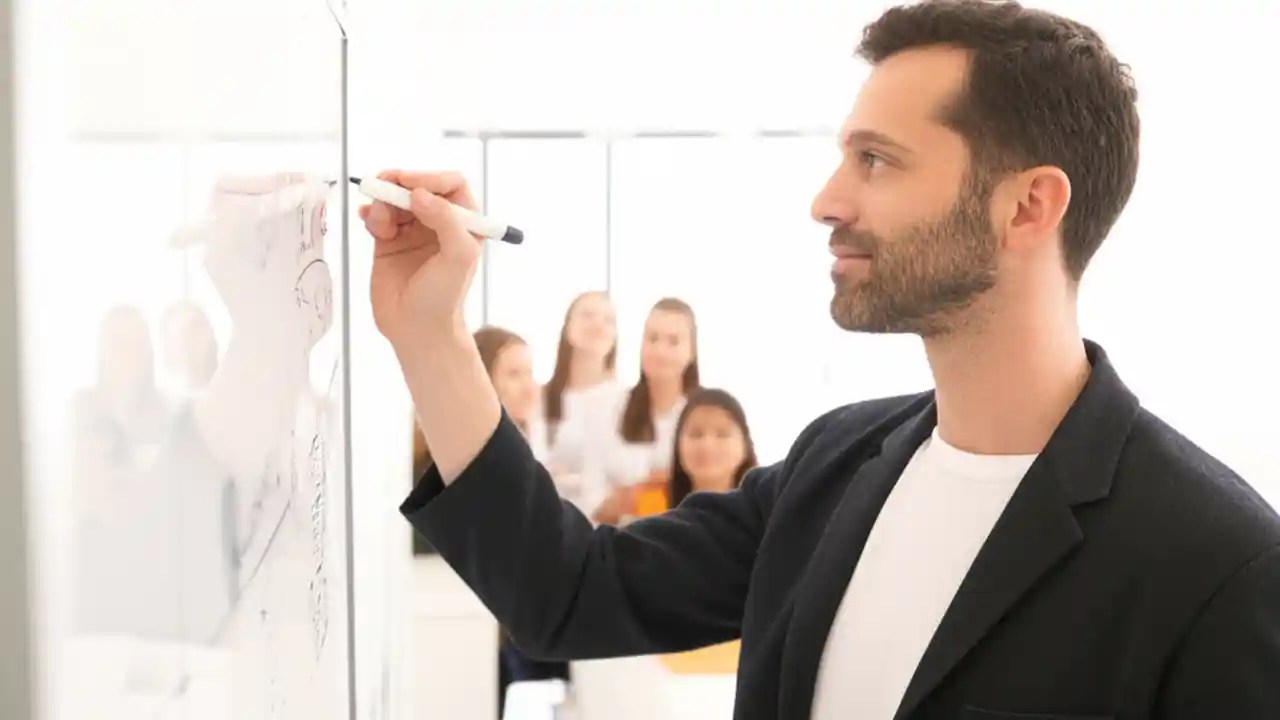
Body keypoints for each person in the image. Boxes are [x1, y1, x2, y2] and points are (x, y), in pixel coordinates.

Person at [361, 1, 1280, 717]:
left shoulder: (1217, 564)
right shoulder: (833, 468)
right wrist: (429, 332)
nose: (827, 200)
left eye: (877, 161)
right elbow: (564, 593)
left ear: (1028, 206)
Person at [593, 297, 700, 524]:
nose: (660, 351)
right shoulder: (611, 407)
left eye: (673, 341)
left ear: (691, 351)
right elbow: (590, 498)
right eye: (652, 339)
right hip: (620, 539)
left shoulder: (703, 414)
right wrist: (625, 499)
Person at [539, 291, 621, 514]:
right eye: (587, 315)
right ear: (567, 327)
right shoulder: (541, 398)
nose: (598, 324)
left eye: (608, 320)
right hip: (553, 524)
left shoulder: (627, 402)